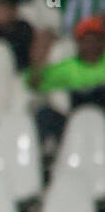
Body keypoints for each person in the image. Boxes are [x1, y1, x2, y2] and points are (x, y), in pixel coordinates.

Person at [27, 14, 105, 144]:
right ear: (79, 43)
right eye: (86, 41)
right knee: (44, 114)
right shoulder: (67, 68)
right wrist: (40, 54)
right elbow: (33, 82)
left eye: (95, 40)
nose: (91, 45)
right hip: (72, 126)